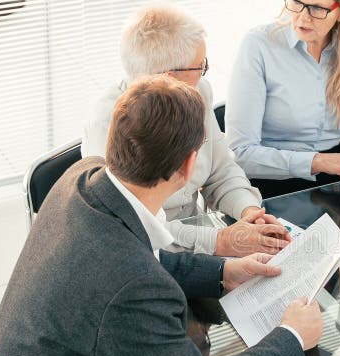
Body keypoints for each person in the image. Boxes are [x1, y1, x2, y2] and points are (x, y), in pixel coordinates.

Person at [0, 75, 323, 356]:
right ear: (188, 167)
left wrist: (221, 272)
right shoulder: (133, 287)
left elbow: (126, 260)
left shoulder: (82, 179)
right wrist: (291, 337)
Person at [82, 4, 289, 257]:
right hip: (148, 255)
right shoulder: (108, 125)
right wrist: (220, 241)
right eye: (200, 66)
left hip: (202, 240)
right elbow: (136, 227)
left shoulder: (198, 93)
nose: (203, 75)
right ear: (169, 78)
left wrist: (250, 212)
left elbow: (221, 170)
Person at [226, 0, 340, 198]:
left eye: (317, 8)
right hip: (268, 187)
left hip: (336, 190)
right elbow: (240, 153)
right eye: (296, 2)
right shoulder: (259, 45)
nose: (303, 17)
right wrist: (318, 161)